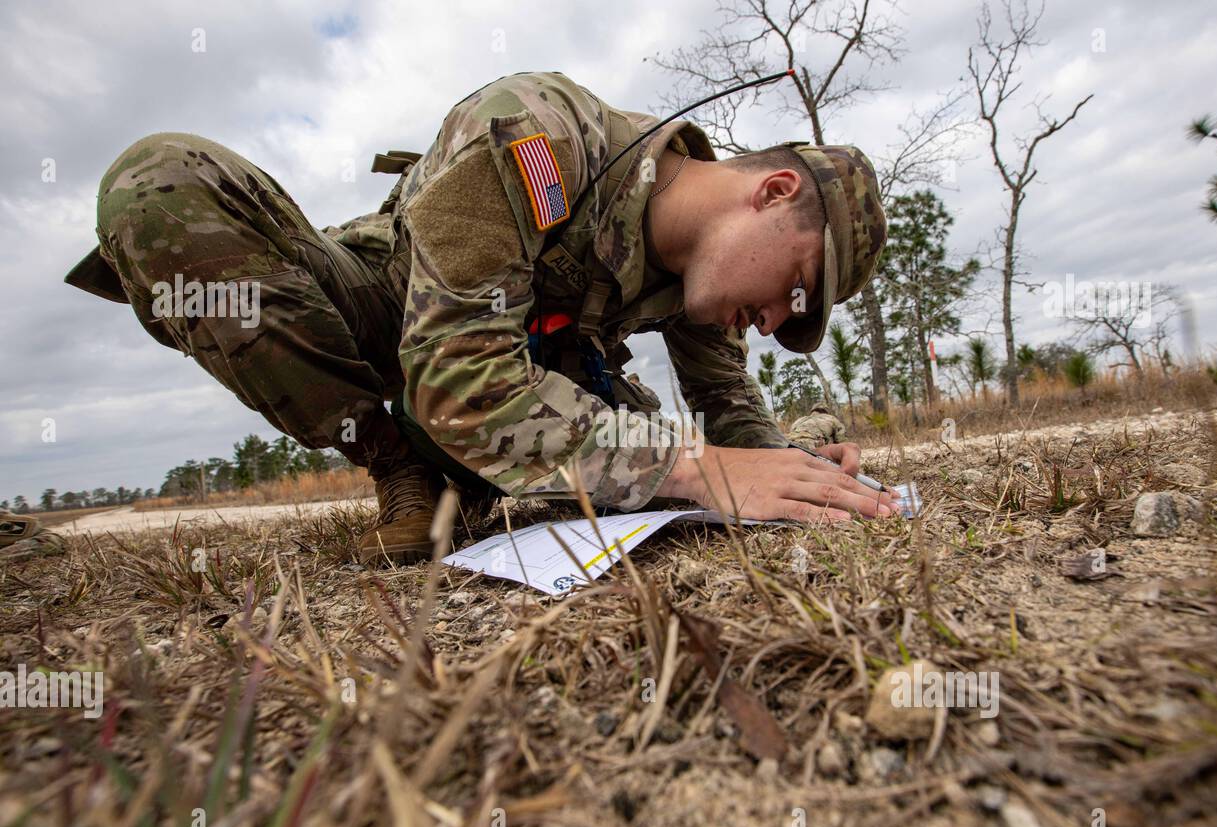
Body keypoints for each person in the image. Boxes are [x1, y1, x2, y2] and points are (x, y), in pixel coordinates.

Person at [66, 71, 891, 565]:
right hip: (397, 321)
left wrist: (792, 462)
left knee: (639, 461)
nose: (775, 320)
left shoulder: (705, 280)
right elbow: (457, 372)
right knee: (157, 183)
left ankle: (461, 472)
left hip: (544, 383)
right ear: (774, 192)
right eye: (799, 286)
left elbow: (727, 408)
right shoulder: (537, 134)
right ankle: (400, 466)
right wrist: (687, 464)